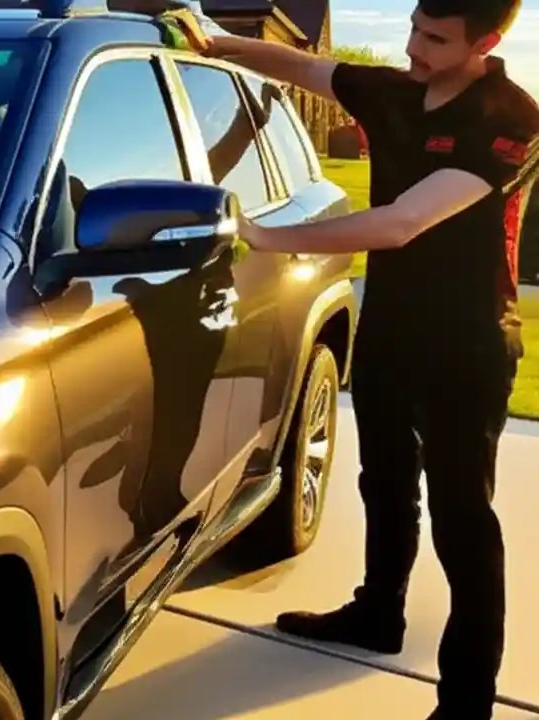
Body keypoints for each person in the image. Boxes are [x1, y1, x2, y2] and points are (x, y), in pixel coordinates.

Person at [189, 1, 539, 718]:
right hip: (391, 331)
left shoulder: (512, 118)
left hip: (468, 344)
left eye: (434, 39)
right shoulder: (394, 92)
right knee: (383, 481)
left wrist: (264, 235)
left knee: (462, 518)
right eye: (412, 26)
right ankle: (379, 612)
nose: (412, 47)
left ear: (488, 41)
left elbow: (402, 223)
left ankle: (466, 700)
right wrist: (213, 42)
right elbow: (302, 67)